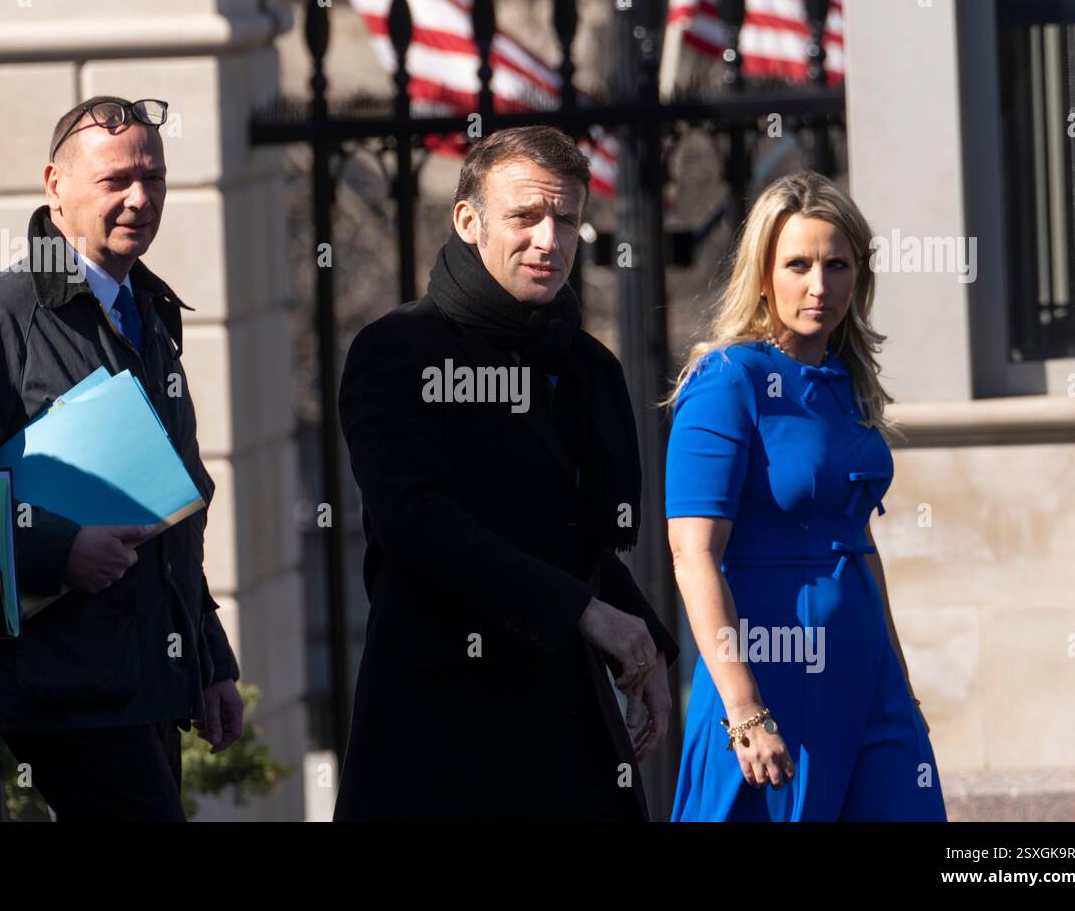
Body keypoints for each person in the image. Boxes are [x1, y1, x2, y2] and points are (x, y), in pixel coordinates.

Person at [334, 126, 679, 820]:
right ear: (469, 220)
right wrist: (585, 614)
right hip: (438, 728)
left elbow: (576, 541)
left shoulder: (588, 366)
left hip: (565, 724)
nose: (549, 239)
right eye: (526, 216)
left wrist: (645, 651)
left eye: (567, 219)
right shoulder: (398, 351)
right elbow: (419, 526)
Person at [0, 96, 242, 821]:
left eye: (155, 177)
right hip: (57, 695)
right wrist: (59, 547)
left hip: (147, 686)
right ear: (56, 186)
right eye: (116, 182)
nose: (141, 198)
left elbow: (169, 508)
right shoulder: (4, 313)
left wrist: (210, 662)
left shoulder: (150, 310)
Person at [664, 171, 947, 821]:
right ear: (763, 272)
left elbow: (860, 541)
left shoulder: (847, 382)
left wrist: (901, 686)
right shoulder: (727, 381)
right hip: (768, 673)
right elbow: (693, 555)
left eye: (837, 265)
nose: (818, 286)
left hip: (867, 676)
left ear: (860, 275)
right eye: (797, 264)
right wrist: (742, 707)